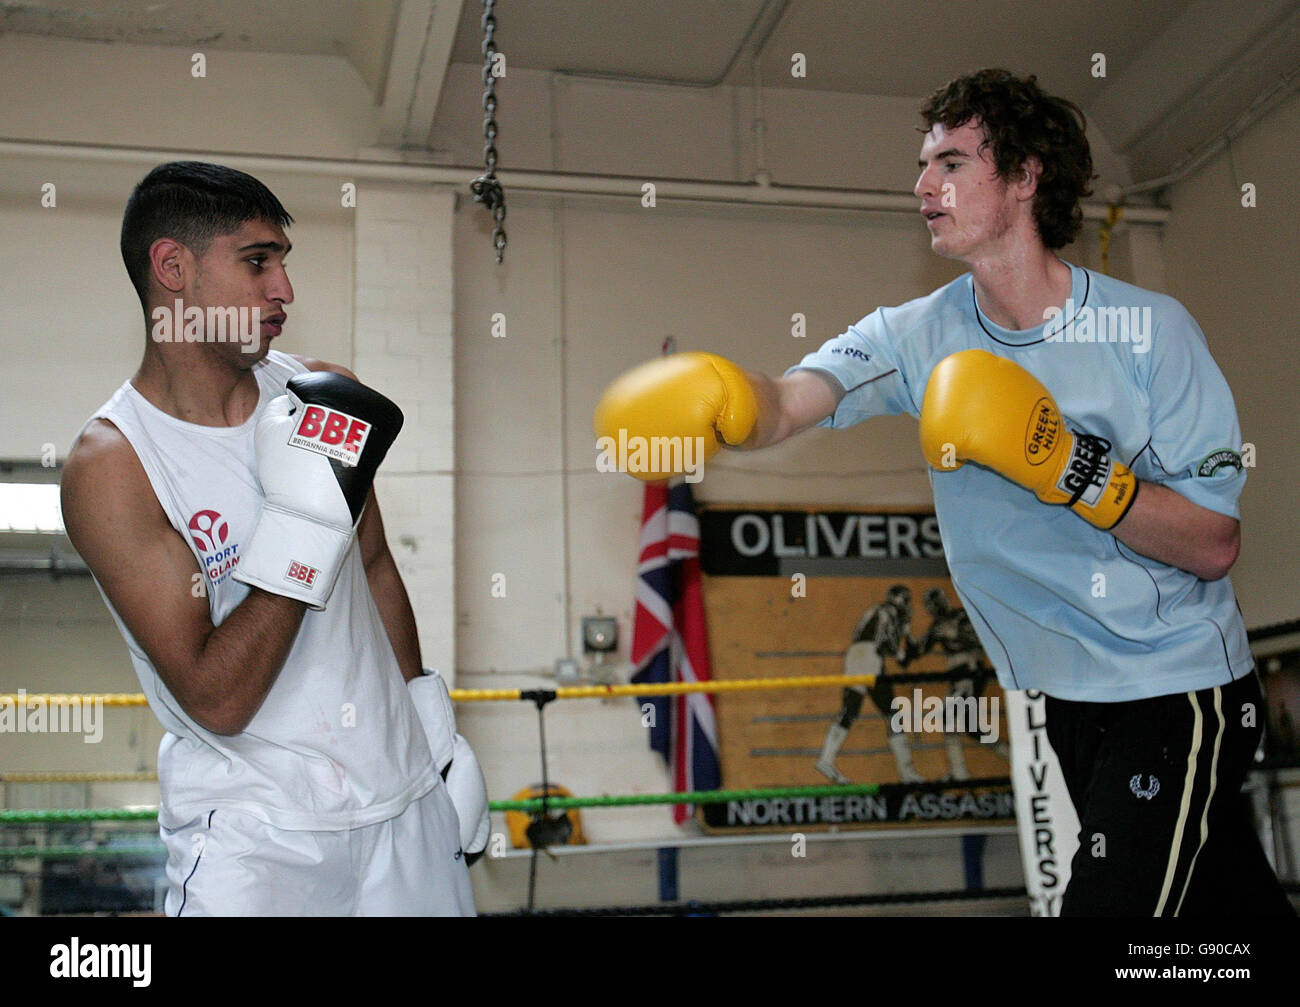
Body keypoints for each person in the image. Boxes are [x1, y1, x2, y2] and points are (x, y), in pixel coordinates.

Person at [594, 69, 1293, 917]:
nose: (925, 186)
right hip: (1068, 697)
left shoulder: (1150, 333)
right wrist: (728, 401)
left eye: (953, 162)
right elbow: (787, 402)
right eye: (925, 165)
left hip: (1176, 688)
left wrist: (1071, 469)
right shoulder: (917, 335)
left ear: (1028, 174)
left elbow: (1215, 542)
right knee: (1223, 924)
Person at [61, 161, 486, 916]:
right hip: (258, 841)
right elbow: (217, 698)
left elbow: (378, 564)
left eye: (283, 263)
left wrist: (435, 732)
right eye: (257, 261)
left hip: (404, 809)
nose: (283, 290)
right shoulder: (117, 465)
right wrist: (302, 529)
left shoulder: (322, 394)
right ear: (174, 268)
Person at [816, 585, 925, 784]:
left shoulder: (878, 610)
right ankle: (906, 772)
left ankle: (826, 759)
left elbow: (903, 655)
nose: (907, 604)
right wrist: (905, 636)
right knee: (892, 714)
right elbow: (892, 648)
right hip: (870, 656)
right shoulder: (888, 612)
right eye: (905, 599)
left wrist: (905, 637)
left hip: (858, 655)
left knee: (851, 709)